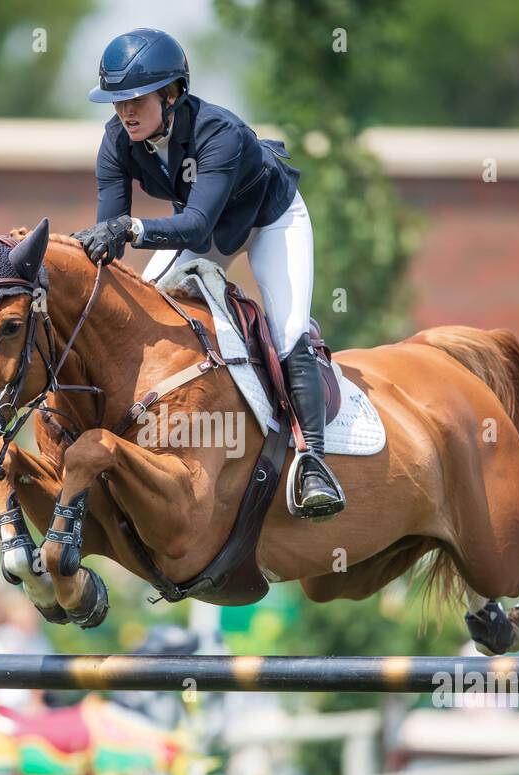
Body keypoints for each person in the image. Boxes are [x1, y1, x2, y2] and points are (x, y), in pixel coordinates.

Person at [72, 27, 343, 518]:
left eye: (136, 98)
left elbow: (195, 228)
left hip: (270, 220)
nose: (125, 111)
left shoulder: (221, 132)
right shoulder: (116, 140)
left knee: (287, 332)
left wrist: (129, 228)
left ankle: (314, 463)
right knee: (144, 312)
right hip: (206, 228)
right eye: (117, 101)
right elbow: (107, 238)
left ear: (171, 94)